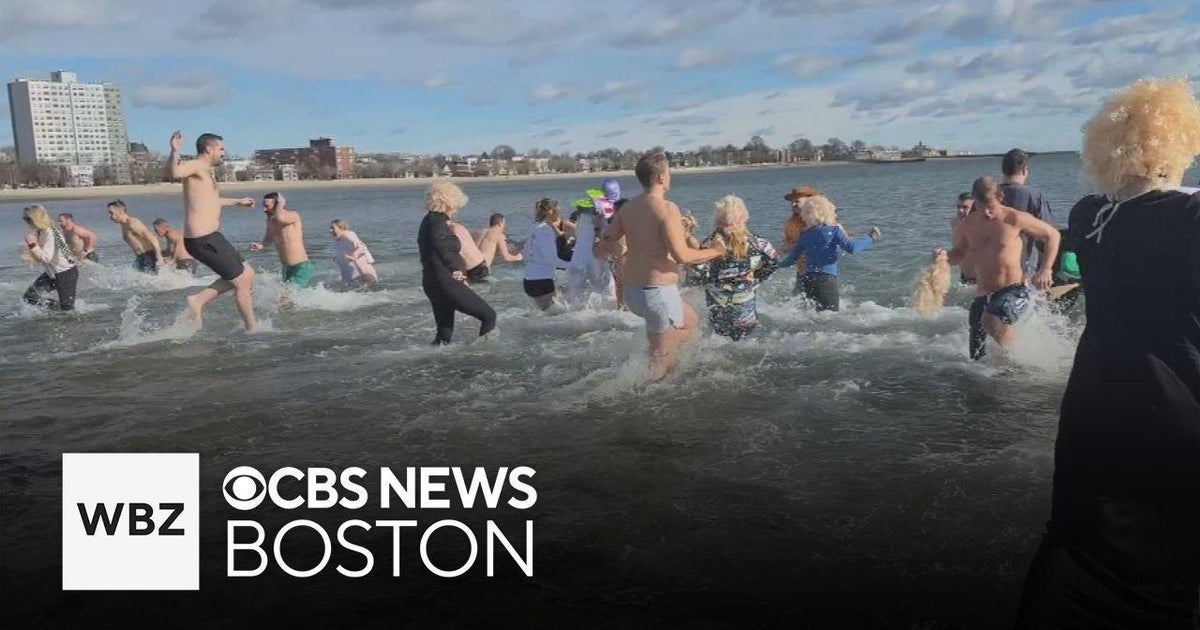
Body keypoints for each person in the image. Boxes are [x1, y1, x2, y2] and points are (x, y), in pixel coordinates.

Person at [1015, 78, 1200, 629]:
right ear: (1178, 146)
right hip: (1176, 404)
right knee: (1169, 561)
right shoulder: (1190, 219)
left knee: (1080, 540)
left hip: (1094, 402)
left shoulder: (1090, 214)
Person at [597, 152, 725, 380]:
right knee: (660, 358)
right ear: (660, 178)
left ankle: (659, 358)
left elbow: (605, 241)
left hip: (633, 291)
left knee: (691, 322)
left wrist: (618, 250)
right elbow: (682, 255)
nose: (670, 177)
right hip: (656, 293)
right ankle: (640, 389)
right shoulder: (667, 208)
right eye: (669, 172)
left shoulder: (627, 208)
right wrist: (716, 251)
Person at [936, 176, 1059, 360]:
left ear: (1000, 198)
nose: (987, 213)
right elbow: (959, 254)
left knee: (991, 320)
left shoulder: (1015, 218)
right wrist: (944, 257)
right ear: (974, 202)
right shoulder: (968, 225)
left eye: (991, 207)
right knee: (976, 358)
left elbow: (1052, 235)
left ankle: (1021, 363)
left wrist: (1046, 269)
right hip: (983, 294)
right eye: (981, 206)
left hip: (1014, 290)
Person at [168, 131, 258, 331]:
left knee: (248, 273)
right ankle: (252, 329)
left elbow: (210, 202)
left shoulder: (207, 171)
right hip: (202, 239)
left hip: (211, 236)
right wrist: (174, 151)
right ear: (209, 149)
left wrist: (237, 201)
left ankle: (199, 300)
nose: (223, 152)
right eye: (221, 149)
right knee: (241, 281)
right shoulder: (197, 165)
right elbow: (175, 172)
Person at [417, 181, 496, 344]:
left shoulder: (431, 221)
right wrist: (456, 269)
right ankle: (485, 357)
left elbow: (440, 247)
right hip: (444, 281)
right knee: (488, 315)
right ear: (448, 201)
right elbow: (443, 247)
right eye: (457, 202)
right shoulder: (436, 222)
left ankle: (434, 364)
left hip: (433, 281)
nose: (458, 207)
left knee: (444, 333)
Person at [693, 195, 778, 340]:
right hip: (745, 299)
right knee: (746, 340)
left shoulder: (708, 244)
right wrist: (757, 276)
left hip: (717, 302)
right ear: (744, 216)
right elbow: (774, 260)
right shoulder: (757, 243)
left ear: (717, 219)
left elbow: (698, 271)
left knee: (720, 340)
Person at [777, 195, 881, 312]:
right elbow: (852, 248)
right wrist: (871, 237)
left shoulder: (804, 234)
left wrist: (775, 263)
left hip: (807, 281)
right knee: (832, 319)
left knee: (812, 318)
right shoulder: (833, 231)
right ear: (827, 212)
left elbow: (790, 260)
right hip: (825, 281)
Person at [1000, 148, 1055, 277]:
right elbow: (1048, 235)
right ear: (1025, 170)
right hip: (1024, 268)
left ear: (1003, 170)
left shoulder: (989, 197)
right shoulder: (1033, 196)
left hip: (991, 270)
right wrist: (1046, 269)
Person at [20, 204, 79, 311]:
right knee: (30, 297)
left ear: (36, 218)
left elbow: (46, 257)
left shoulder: (49, 233)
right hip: (51, 273)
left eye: (28, 219)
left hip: (65, 273)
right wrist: (28, 251)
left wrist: (33, 245)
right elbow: (39, 257)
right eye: (24, 218)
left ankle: (74, 320)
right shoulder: (40, 231)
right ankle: (55, 308)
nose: (26, 222)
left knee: (68, 309)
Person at [250, 192, 314, 289]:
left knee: (285, 297)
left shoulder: (293, 215)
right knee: (288, 300)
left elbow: (281, 219)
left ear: (278, 204)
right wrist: (261, 245)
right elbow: (269, 236)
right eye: (263, 206)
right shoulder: (270, 220)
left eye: (267, 206)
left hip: (300, 267)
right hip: (286, 268)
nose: (264, 209)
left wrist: (280, 203)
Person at [564, 194, 616, 309]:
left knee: (576, 296)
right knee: (606, 292)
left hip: (578, 258)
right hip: (595, 258)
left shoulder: (580, 221)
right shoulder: (600, 222)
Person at [523, 198, 571, 310]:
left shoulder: (534, 226)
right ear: (551, 212)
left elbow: (525, 253)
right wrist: (575, 265)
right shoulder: (545, 230)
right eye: (558, 212)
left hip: (530, 278)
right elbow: (551, 259)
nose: (559, 216)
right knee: (554, 317)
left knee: (546, 313)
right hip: (542, 280)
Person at [106, 200, 163, 274]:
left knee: (150, 281)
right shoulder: (124, 225)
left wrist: (159, 256)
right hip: (140, 258)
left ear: (120, 212)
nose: (109, 216)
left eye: (111, 213)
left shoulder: (132, 222)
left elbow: (152, 238)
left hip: (149, 256)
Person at [782, 186, 820, 294]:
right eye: (791, 202)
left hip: (822, 273)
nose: (793, 204)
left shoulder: (823, 220)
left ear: (809, 201)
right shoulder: (790, 223)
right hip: (801, 272)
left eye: (797, 201)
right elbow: (786, 246)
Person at [329, 219, 377, 286]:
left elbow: (360, 246)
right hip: (350, 273)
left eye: (333, 228)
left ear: (341, 228)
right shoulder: (337, 241)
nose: (330, 230)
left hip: (363, 272)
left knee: (366, 286)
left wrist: (354, 257)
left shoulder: (347, 234)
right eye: (330, 228)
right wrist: (337, 258)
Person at [448, 218, 489, 283]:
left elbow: (458, 252)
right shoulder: (458, 227)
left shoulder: (452, 231)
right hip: (479, 264)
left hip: (475, 268)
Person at [952, 192, 977, 284]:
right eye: (958, 207)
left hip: (981, 278)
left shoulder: (983, 226)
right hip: (964, 275)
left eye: (965, 207)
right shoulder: (955, 222)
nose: (960, 210)